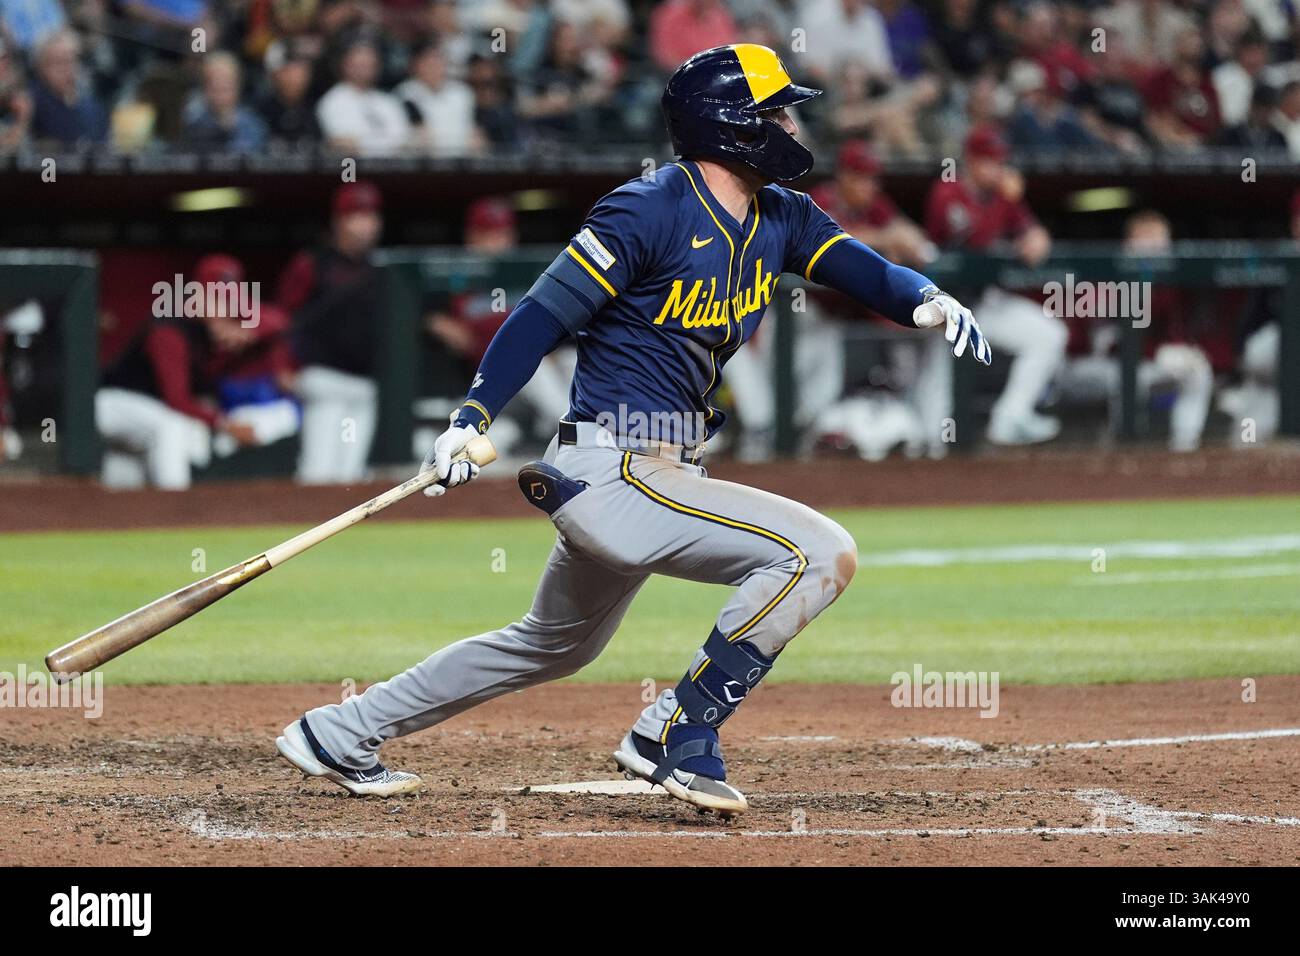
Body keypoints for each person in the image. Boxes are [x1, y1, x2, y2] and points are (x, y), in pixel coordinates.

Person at [276, 45, 991, 810]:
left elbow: (865, 269)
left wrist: (927, 297)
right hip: (612, 470)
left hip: (662, 473)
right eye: (776, 110)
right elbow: (541, 315)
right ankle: (673, 733)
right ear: (734, 126)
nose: (790, 122)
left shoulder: (781, 215)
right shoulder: (650, 205)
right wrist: (469, 417)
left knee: (552, 644)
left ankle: (339, 731)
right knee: (819, 552)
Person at [95, 255, 288, 489]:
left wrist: (250, 332)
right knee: (172, 425)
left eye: (229, 302)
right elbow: (177, 400)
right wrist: (225, 424)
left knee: (125, 483)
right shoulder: (170, 329)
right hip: (109, 403)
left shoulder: (208, 333)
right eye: (216, 300)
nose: (225, 310)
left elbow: (280, 321)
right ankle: (179, 509)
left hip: (144, 416)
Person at [925, 126, 1066, 445]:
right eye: (989, 160)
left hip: (984, 303)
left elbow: (1033, 233)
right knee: (937, 386)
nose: (998, 168)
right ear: (972, 161)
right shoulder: (947, 191)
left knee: (1048, 335)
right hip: (941, 306)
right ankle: (928, 451)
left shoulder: (1002, 196)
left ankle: (1010, 418)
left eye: (1000, 161)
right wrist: (1008, 201)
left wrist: (1036, 237)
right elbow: (972, 240)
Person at [1056, 210, 1213, 452]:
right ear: (1128, 244)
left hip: (1140, 364)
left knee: (1197, 371)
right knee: (1126, 379)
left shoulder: (1168, 282)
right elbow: (1106, 342)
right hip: (1084, 365)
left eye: (1160, 241)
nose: (1154, 248)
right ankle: (1123, 449)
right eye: (1146, 240)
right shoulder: (1105, 276)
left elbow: (1173, 332)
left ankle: (1185, 446)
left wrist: (1179, 351)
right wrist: (1158, 353)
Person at [423, 197, 572, 449]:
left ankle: (584, 435)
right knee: (530, 370)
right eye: (487, 234)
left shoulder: (530, 275)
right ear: (471, 237)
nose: (496, 242)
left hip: (531, 382)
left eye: (502, 233)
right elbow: (463, 339)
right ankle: (569, 432)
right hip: (483, 388)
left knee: (571, 360)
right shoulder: (453, 277)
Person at [277, 181, 385, 484]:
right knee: (318, 472)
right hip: (323, 378)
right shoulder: (312, 264)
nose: (365, 225)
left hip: (365, 385)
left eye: (370, 216)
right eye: (356, 216)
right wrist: (281, 366)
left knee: (350, 479)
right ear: (339, 220)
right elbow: (284, 319)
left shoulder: (381, 267)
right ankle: (303, 531)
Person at [315, 37, 411, 156]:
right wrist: (391, 145)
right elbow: (344, 145)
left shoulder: (388, 101)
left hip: (394, 170)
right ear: (345, 65)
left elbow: (407, 142)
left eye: (369, 64)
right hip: (352, 170)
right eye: (359, 65)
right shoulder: (332, 101)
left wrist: (364, 143)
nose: (364, 69)